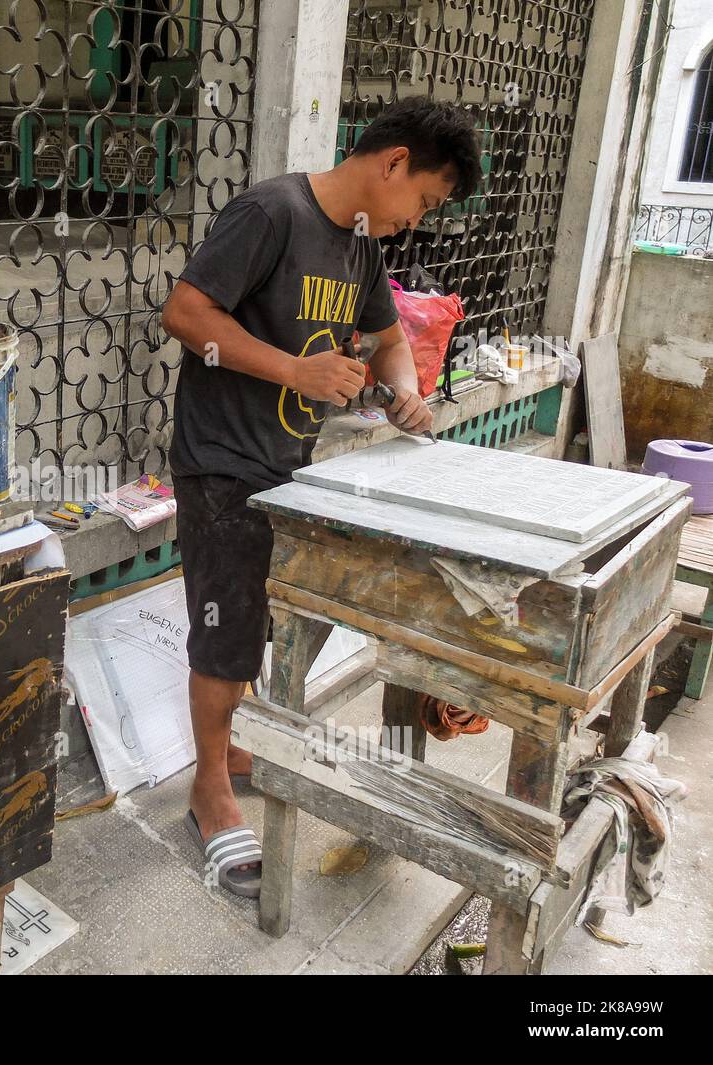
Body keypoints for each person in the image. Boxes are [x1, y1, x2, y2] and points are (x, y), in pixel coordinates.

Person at [161, 97, 482, 898]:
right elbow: (183, 312)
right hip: (224, 462)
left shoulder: (364, 246)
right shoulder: (272, 211)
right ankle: (209, 789)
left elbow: (386, 339)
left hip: (292, 467)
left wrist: (406, 393)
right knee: (224, 635)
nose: (417, 220)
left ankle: (235, 750)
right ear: (394, 163)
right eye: (426, 201)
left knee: (261, 625)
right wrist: (295, 371)